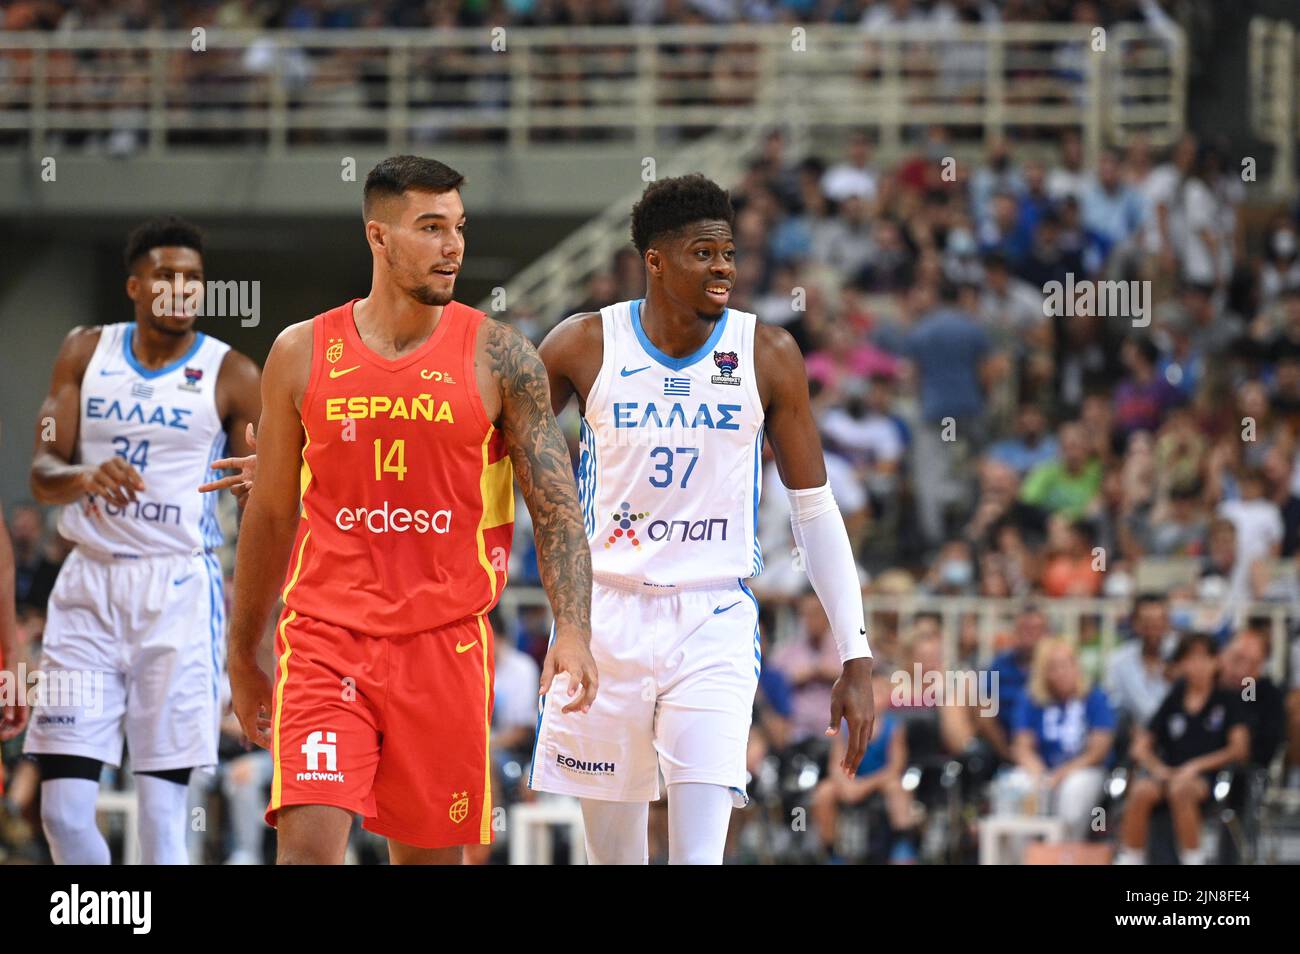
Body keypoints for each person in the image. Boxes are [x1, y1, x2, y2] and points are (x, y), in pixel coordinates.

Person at [219, 156, 597, 865]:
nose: (453, 245)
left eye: (459, 227)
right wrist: (244, 649)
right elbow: (270, 516)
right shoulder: (298, 353)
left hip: (446, 645)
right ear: (379, 237)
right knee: (306, 848)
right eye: (431, 227)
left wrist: (571, 628)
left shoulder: (502, 356)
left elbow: (555, 508)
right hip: (327, 640)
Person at [529, 174, 874, 864]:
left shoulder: (767, 352)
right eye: (703, 253)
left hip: (712, 617)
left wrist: (856, 653)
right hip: (602, 620)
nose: (723, 268)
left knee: (699, 854)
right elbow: (491, 451)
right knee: (615, 857)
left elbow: (813, 508)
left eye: (729, 254)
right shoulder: (582, 345)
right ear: (654, 260)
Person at [20, 217, 260, 865]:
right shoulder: (83, 351)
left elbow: (263, 496)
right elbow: (42, 474)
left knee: (161, 822)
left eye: (194, 280)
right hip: (88, 587)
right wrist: (82, 474)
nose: (182, 290)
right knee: (62, 814)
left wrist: (263, 486)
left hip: (177, 590)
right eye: (167, 276)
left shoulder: (233, 374)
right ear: (135, 285)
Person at [1117, 632, 1249, 865]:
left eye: (1203, 658)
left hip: (1207, 777)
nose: (1196, 666)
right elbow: (1141, 746)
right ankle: (1131, 859)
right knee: (1140, 790)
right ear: (1182, 664)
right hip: (1170, 771)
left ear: (1215, 661)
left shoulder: (1229, 699)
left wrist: (1196, 766)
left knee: (1181, 789)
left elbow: (1239, 749)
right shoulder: (1175, 697)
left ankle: (1193, 859)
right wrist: (1157, 768)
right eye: (1190, 658)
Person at [1004, 638, 1115, 839]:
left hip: (1083, 769)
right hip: (1042, 769)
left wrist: (1062, 773)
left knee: (1072, 794)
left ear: (1076, 666)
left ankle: (1065, 854)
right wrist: (1039, 774)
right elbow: (1022, 746)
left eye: (1066, 665)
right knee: (1015, 788)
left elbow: (1099, 750)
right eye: (1053, 667)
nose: (1061, 673)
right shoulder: (1030, 699)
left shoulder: (1095, 697)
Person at [811, 669, 915, 863]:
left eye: (880, 692)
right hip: (851, 781)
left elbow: (895, 767)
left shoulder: (894, 728)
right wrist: (847, 785)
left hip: (881, 782)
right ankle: (831, 851)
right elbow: (835, 765)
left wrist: (865, 786)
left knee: (898, 789)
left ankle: (902, 844)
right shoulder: (843, 726)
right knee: (824, 792)